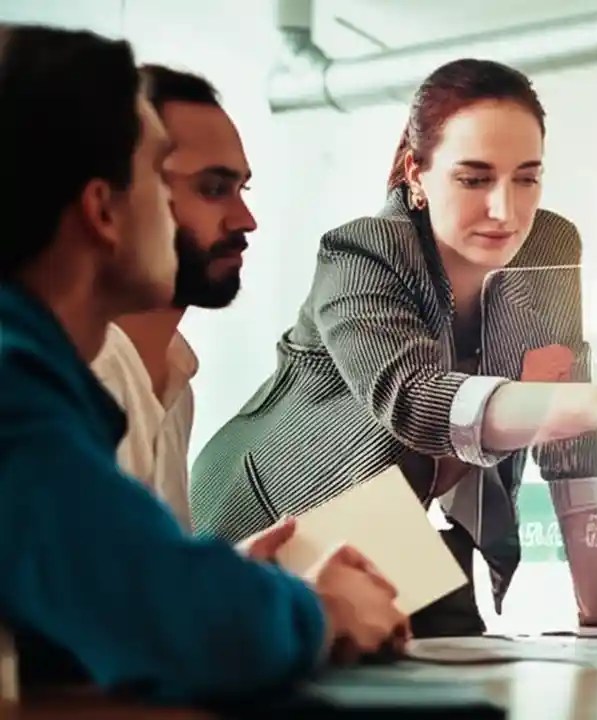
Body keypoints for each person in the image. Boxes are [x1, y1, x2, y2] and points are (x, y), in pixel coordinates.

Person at [190, 58, 597, 636]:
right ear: (415, 173)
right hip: (277, 507)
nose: (506, 210)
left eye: (527, 177)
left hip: (400, 517)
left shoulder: (549, 244)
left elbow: (568, 434)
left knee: (458, 673)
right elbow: (414, 401)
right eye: (474, 179)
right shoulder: (362, 251)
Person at [0, 25, 406, 701]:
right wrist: (319, 610)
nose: (245, 219)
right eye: (161, 184)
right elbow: (164, 619)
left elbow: (92, 590)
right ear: (103, 209)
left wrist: (222, 581)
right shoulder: (15, 390)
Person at [91, 64, 256, 533]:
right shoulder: (64, 385)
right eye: (212, 189)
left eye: (242, 188)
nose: (245, 219)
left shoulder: (174, 379)